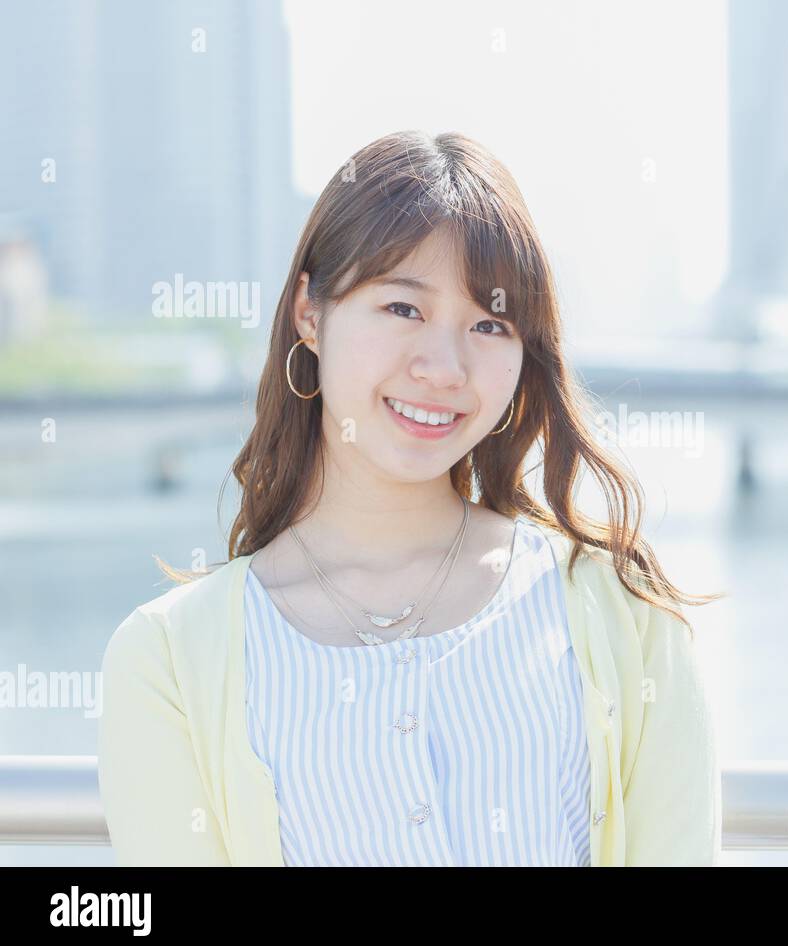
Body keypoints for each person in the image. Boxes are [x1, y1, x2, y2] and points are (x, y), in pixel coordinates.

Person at [97, 130, 724, 866]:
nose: (445, 366)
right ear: (310, 311)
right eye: (403, 308)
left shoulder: (622, 614)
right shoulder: (168, 658)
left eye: (490, 325)